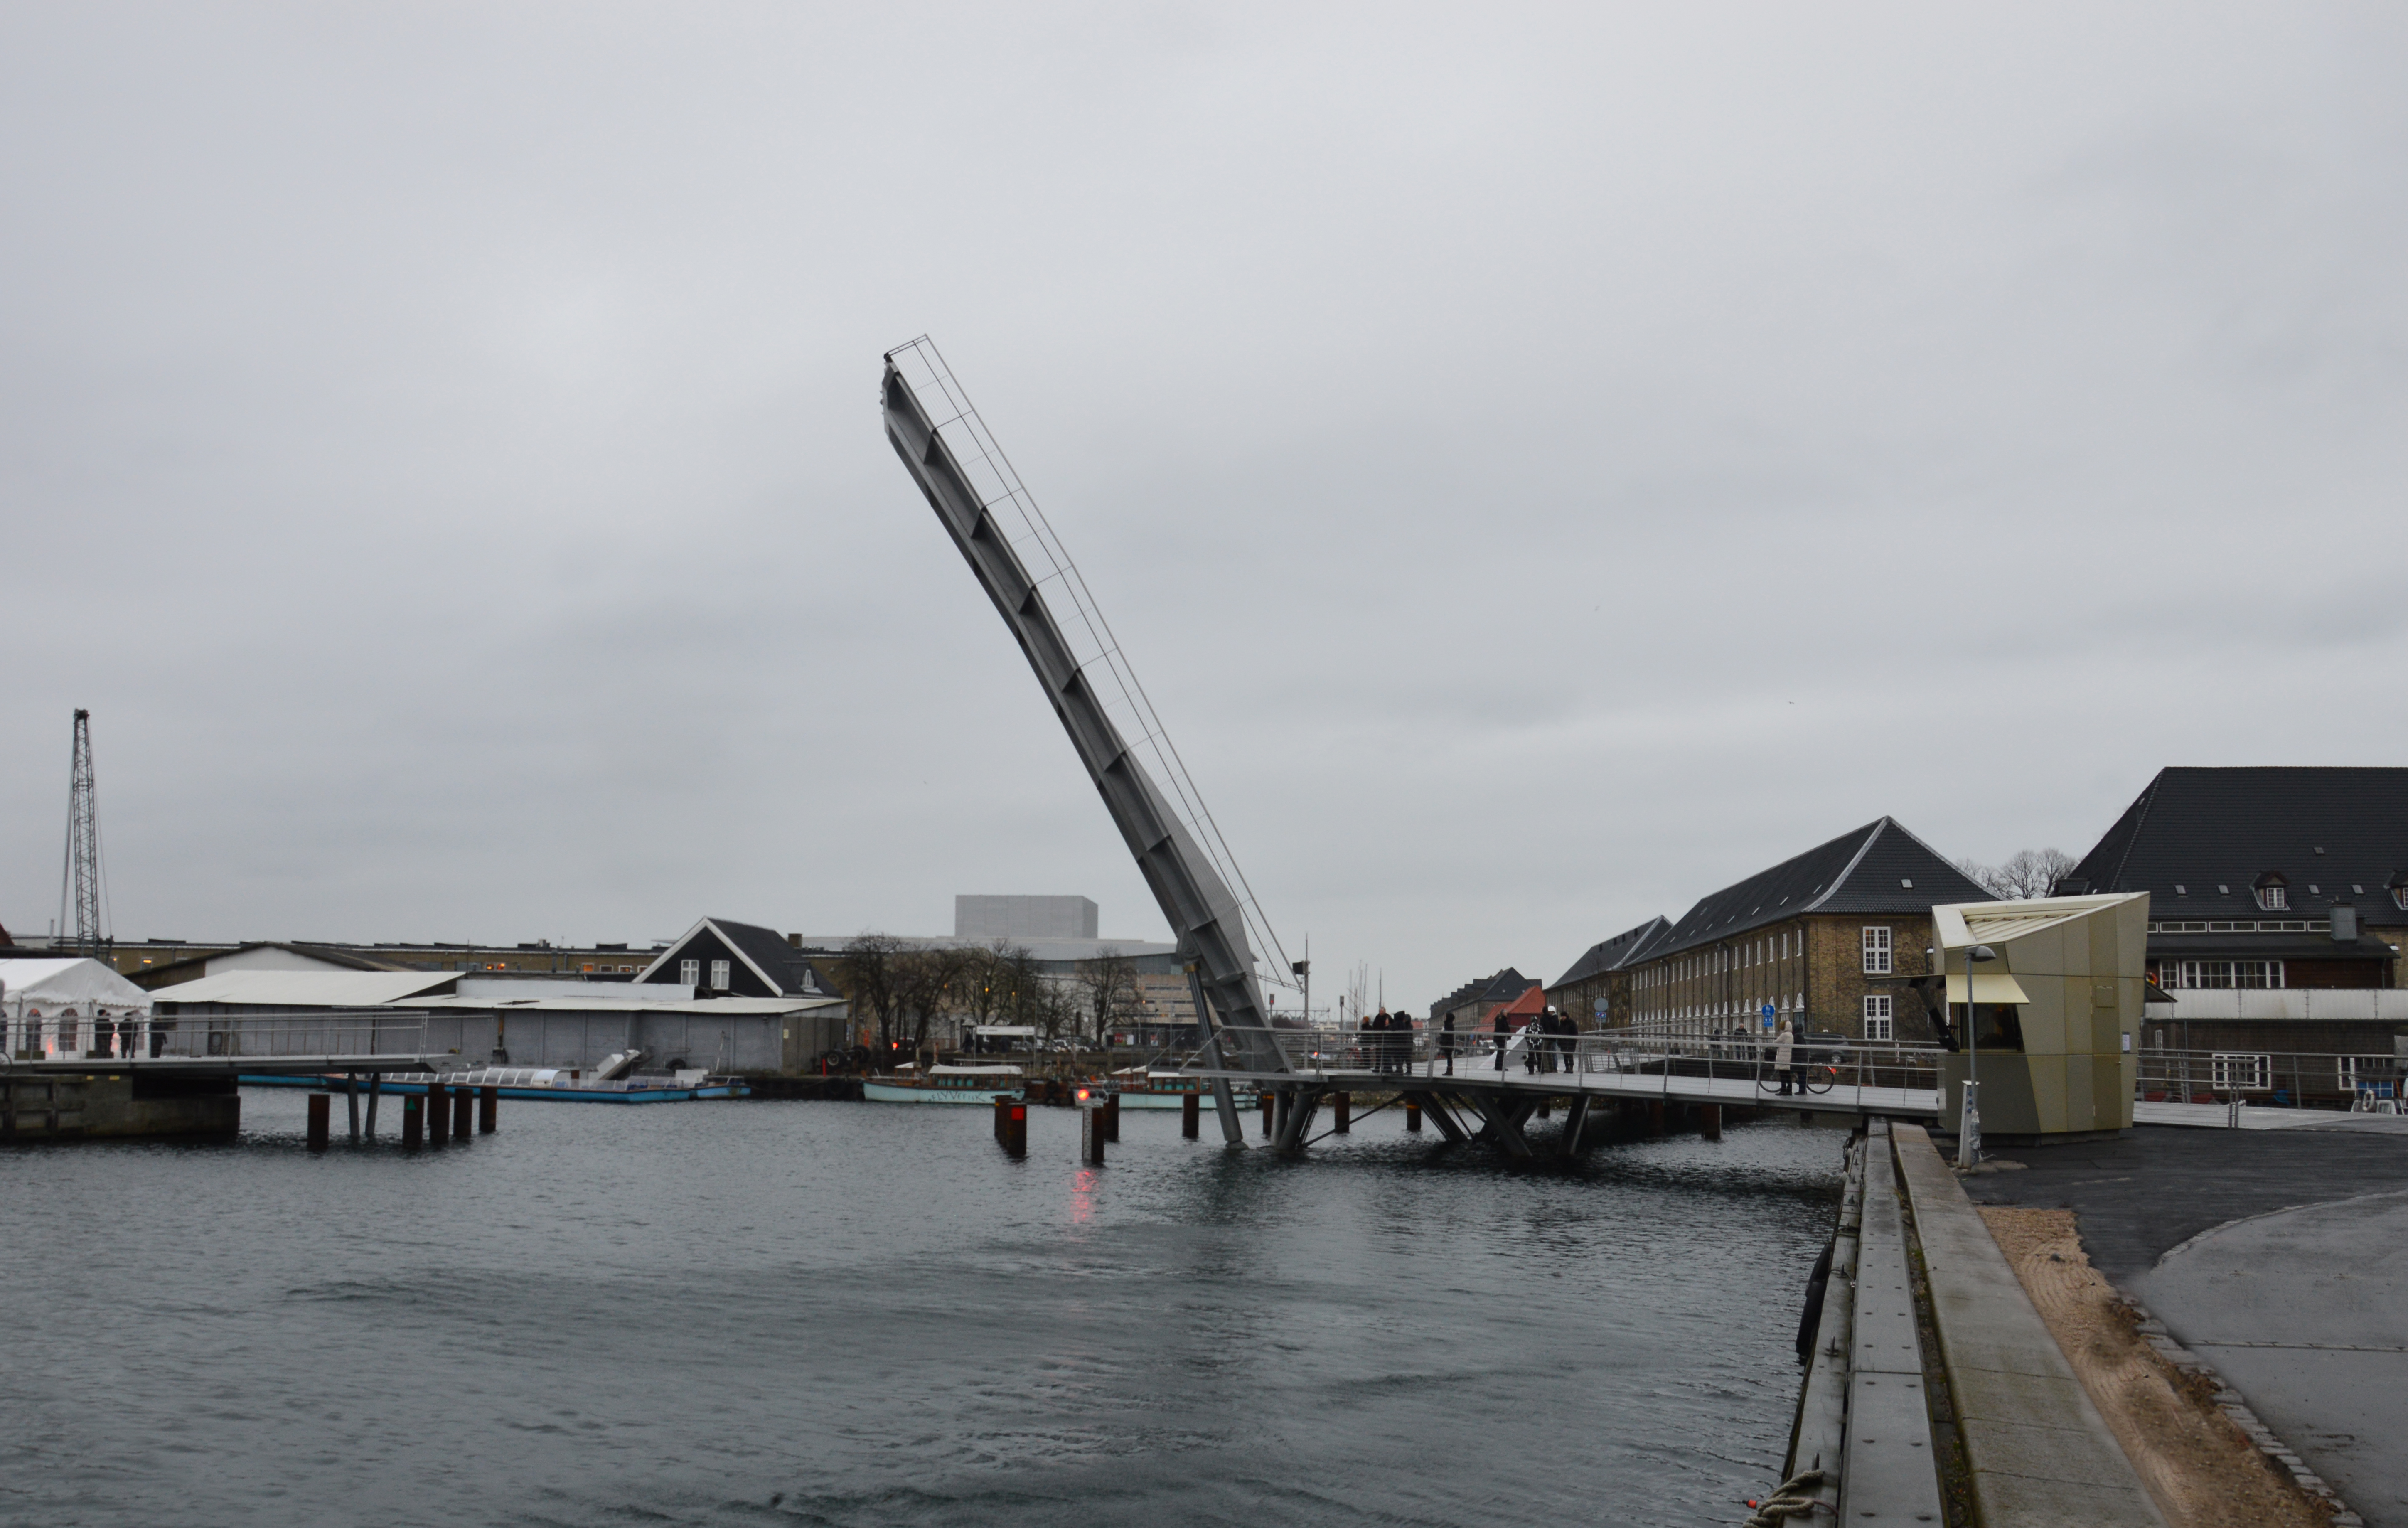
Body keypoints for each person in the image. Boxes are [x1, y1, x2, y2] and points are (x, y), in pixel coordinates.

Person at [1772, 1016, 1796, 1097]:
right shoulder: (1791, 1035)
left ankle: (1783, 1090)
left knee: (1782, 1074)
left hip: (1782, 1057)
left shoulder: (1785, 1035)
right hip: (1788, 1057)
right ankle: (1789, 1090)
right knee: (1787, 1074)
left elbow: (1776, 1043)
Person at [1439, 1012, 1457, 1076]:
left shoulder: (1448, 1025)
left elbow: (1445, 1033)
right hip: (1449, 1042)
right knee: (1449, 1057)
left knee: (1449, 1057)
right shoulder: (1450, 1024)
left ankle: (1449, 1071)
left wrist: (1442, 1032)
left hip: (1448, 1043)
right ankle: (1449, 1070)